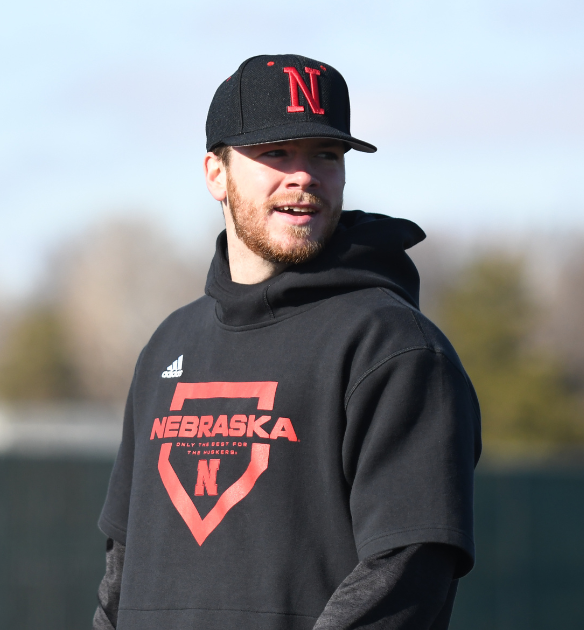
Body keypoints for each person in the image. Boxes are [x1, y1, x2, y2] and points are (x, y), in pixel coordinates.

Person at [92, 54, 481, 630]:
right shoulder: (169, 346)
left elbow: (406, 573)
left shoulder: (393, 349)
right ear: (215, 174)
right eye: (276, 153)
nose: (304, 176)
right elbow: (122, 566)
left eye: (325, 156)